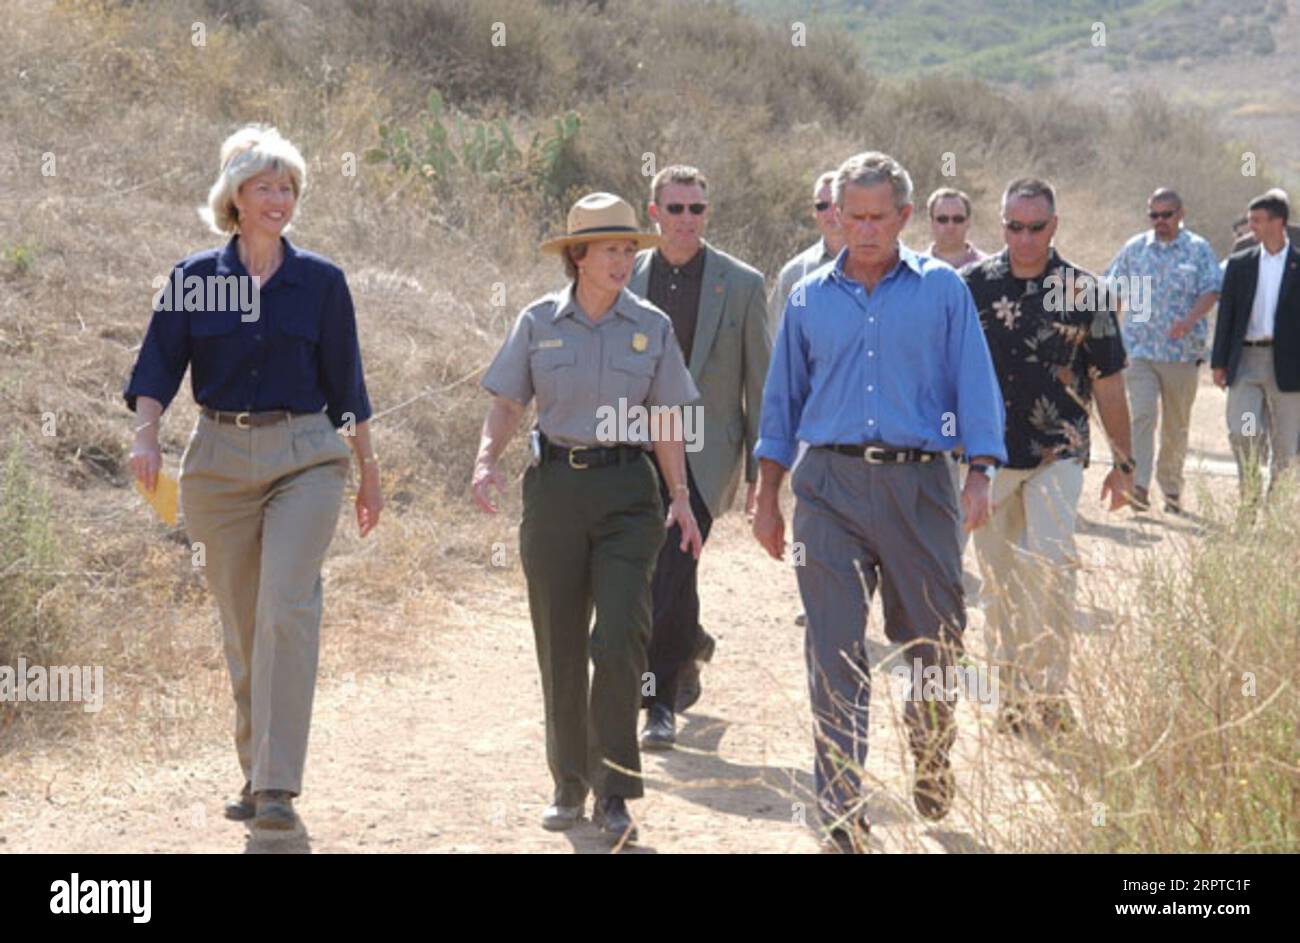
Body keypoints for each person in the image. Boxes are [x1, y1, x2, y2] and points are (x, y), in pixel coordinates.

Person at [124, 125, 384, 831]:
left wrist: (368, 470)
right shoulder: (193, 280)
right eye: (266, 186)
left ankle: (276, 787)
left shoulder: (322, 282)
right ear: (234, 195)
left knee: (283, 607)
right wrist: (146, 434)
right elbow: (156, 369)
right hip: (216, 461)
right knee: (242, 624)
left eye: (289, 187)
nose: (280, 199)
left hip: (305, 455)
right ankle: (254, 767)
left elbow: (348, 386)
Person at [753, 151, 1006, 851]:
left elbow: (974, 382)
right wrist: (767, 491)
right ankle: (840, 806)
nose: (862, 230)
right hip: (828, 489)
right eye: (849, 216)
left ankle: (930, 750)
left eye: (877, 218)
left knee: (932, 642)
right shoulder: (807, 298)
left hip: (920, 485)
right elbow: (782, 404)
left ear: (902, 217)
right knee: (832, 650)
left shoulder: (942, 292)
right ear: (835, 214)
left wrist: (980, 470)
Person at [473, 192, 702, 845]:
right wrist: (485, 460)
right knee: (561, 642)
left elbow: (666, 419)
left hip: (630, 492)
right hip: (555, 493)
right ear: (579, 255)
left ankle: (616, 790)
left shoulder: (651, 325)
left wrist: (680, 496)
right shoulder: (539, 321)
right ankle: (569, 780)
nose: (624, 259)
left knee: (619, 638)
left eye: (630, 248)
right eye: (611, 249)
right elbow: (509, 400)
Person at [961, 177, 1133, 737]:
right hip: (989, 458)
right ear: (1001, 224)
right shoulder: (971, 287)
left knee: (1050, 564)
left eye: (1036, 227)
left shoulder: (1085, 291)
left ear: (1054, 226)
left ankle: (1050, 691)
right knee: (1001, 577)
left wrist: (1123, 462)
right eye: (1014, 226)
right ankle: (1011, 694)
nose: (1025, 237)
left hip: (1060, 448)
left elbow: (1108, 382)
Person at [627, 165, 771, 747]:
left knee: (673, 565)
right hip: (631, 446)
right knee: (644, 575)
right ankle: (687, 641)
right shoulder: (623, 274)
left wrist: (766, 476)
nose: (688, 219)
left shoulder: (741, 283)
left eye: (698, 209)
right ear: (654, 212)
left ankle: (655, 704)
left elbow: (759, 382)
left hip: (705, 455)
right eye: (676, 208)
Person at [1105, 188, 1221, 514]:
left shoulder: (1197, 250)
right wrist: (1108, 330)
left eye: (1166, 215)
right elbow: (1113, 288)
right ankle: (1139, 485)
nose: (1160, 221)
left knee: (1176, 424)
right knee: (1141, 415)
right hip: (1139, 350)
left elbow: (1212, 289)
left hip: (1181, 354)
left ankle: (1170, 486)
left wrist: (1189, 320)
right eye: (1153, 215)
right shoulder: (1135, 249)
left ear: (1180, 214)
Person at [1212, 190, 1300, 504]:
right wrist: (1218, 361)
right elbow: (1227, 315)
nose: (1252, 227)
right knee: (1244, 430)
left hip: (1289, 368)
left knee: (1286, 447)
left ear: (1280, 222)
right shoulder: (1240, 264)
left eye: (1258, 221)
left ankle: (1275, 512)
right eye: (1250, 221)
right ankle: (1249, 497)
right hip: (1247, 362)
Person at [770, 170, 845, 323]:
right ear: (814, 212)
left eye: (837, 204)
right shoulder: (795, 274)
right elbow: (777, 338)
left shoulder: (882, 267)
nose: (830, 212)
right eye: (822, 206)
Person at [926, 187, 986, 269]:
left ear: (968, 222)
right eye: (943, 219)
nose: (950, 226)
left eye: (958, 219)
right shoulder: (914, 272)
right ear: (931, 223)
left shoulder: (989, 269)